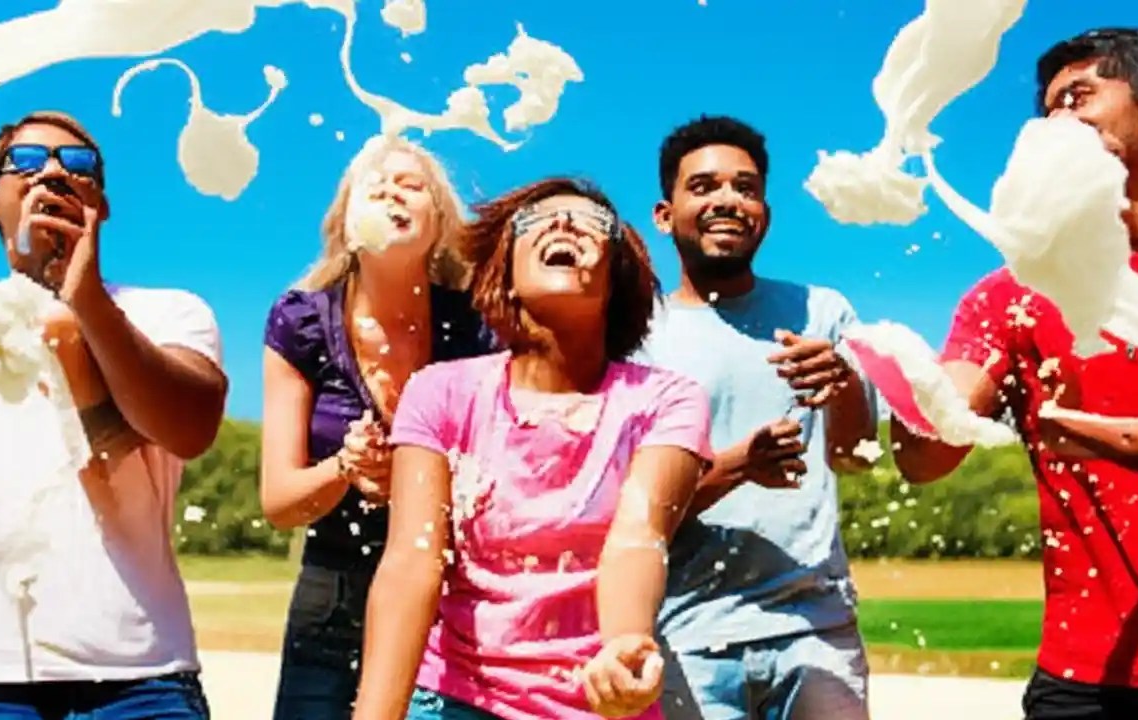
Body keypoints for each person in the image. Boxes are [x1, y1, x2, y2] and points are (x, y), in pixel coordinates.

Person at [891, 28, 1138, 720]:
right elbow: (929, 456)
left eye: (1079, 97)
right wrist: (890, 380)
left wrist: (1122, 440)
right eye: (1048, 111)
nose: (1058, 124)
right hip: (1080, 681)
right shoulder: (1011, 293)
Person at [352, 178, 713, 720]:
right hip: (454, 699)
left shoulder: (665, 400)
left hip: (601, 701)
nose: (564, 223)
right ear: (506, 272)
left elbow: (638, 537)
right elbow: (411, 563)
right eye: (537, 219)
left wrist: (624, 643)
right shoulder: (441, 392)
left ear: (616, 276)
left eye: (593, 222)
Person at [0, 111, 226, 718]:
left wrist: (81, 300)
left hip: (146, 682)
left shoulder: (168, 313)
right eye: (29, 162)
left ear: (101, 205)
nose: (55, 171)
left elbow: (188, 427)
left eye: (78, 164)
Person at [635, 115, 878, 720]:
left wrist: (845, 381)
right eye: (705, 186)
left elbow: (854, 455)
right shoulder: (637, 338)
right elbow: (631, 515)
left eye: (746, 188)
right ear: (664, 215)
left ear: (765, 210)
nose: (728, 201)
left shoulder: (822, 311)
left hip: (817, 629)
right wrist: (738, 467)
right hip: (685, 633)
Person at [261, 134, 495, 720]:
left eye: (411, 184)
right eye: (375, 183)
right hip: (333, 595)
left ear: (439, 222)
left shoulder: (477, 331)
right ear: (345, 221)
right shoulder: (302, 321)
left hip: (451, 604)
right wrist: (345, 467)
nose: (392, 190)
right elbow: (280, 502)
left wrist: (417, 481)